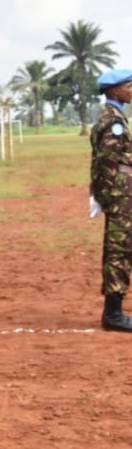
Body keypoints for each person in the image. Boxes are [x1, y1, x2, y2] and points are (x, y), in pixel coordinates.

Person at [89, 68, 132, 331]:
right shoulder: (112, 120)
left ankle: (114, 310)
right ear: (114, 90)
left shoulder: (116, 116)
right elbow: (106, 161)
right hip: (119, 195)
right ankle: (113, 314)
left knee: (121, 247)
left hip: (120, 192)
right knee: (119, 249)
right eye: (129, 86)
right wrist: (105, 195)